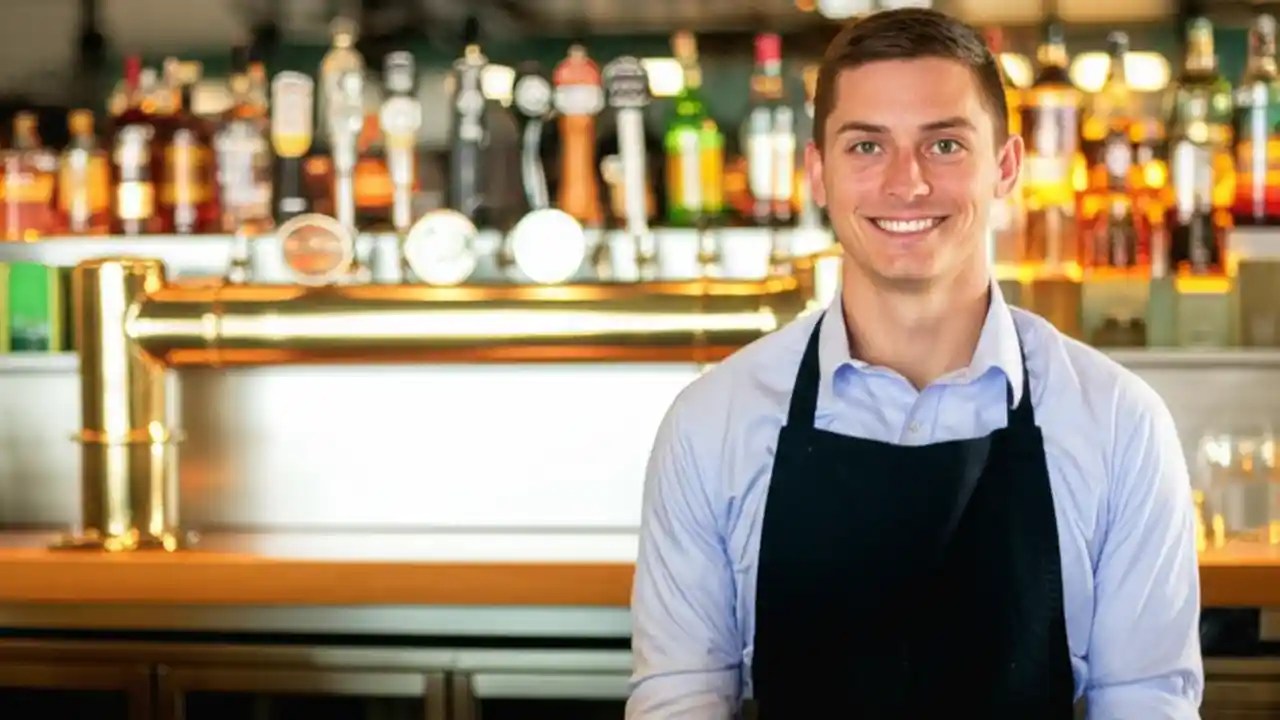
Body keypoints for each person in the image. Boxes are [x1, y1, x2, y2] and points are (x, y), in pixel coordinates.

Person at [626, 8, 1203, 719]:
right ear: (817, 173)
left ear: (1006, 167)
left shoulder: (1119, 424)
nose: (907, 183)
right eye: (867, 146)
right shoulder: (712, 422)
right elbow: (680, 697)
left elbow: (1146, 702)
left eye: (945, 145)